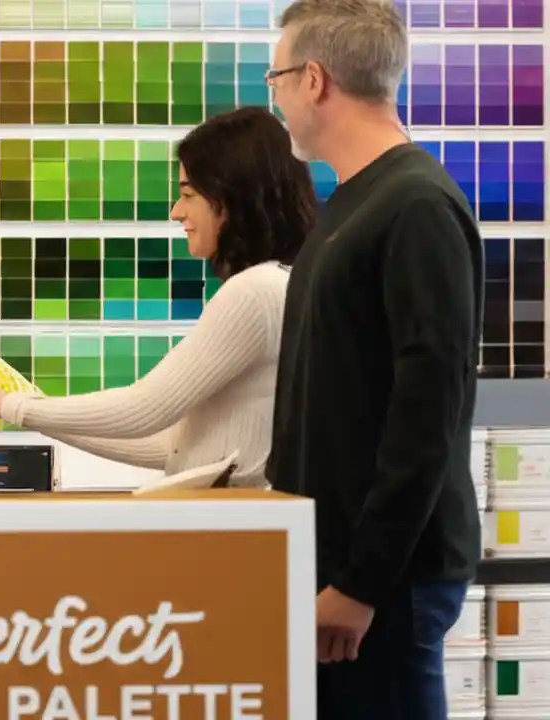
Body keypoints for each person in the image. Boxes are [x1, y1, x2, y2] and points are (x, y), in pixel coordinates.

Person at [265, 0, 483, 716]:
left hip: (383, 587)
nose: (278, 102)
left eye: (276, 81)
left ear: (315, 79)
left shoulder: (415, 205)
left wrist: (362, 582)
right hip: (338, 567)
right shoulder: (356, 204)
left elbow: (427, 411)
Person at [0, 106, 318, 488]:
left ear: (233, 198)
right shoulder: (284, 283)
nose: (177, 212)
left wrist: (12, 405)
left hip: (230, 531)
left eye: (188, 194)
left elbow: (147, 408)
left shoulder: (254, 292)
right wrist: (25, 408)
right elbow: (173, 445)